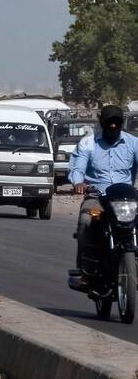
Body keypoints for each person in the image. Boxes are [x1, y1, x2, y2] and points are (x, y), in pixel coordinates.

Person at [70, 105, 138, 271]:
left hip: (126, 199)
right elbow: (78, 168)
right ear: (101, 122)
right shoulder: (88, 143)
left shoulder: (134, 143)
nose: (113, 126)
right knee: (86, 220)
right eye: (109, 122)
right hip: (98, 197)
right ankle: (84, 269)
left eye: (117, 122)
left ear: (122, 123)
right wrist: (78, 183)